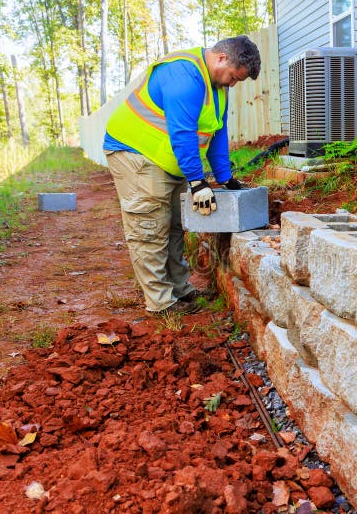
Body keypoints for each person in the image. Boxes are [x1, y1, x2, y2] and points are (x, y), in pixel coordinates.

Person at [103, 36, 261, 316]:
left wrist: (225, 178)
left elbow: (217, 131)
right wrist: (197, 182)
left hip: (167, 158)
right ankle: (161, 303)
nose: (234, 84)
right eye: (234, 77)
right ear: (222, 58)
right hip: (137, 153)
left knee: (175, 225)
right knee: (150, 228)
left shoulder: (218, 86)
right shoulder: (184, 75)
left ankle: (179, 288)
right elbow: (183, 132)